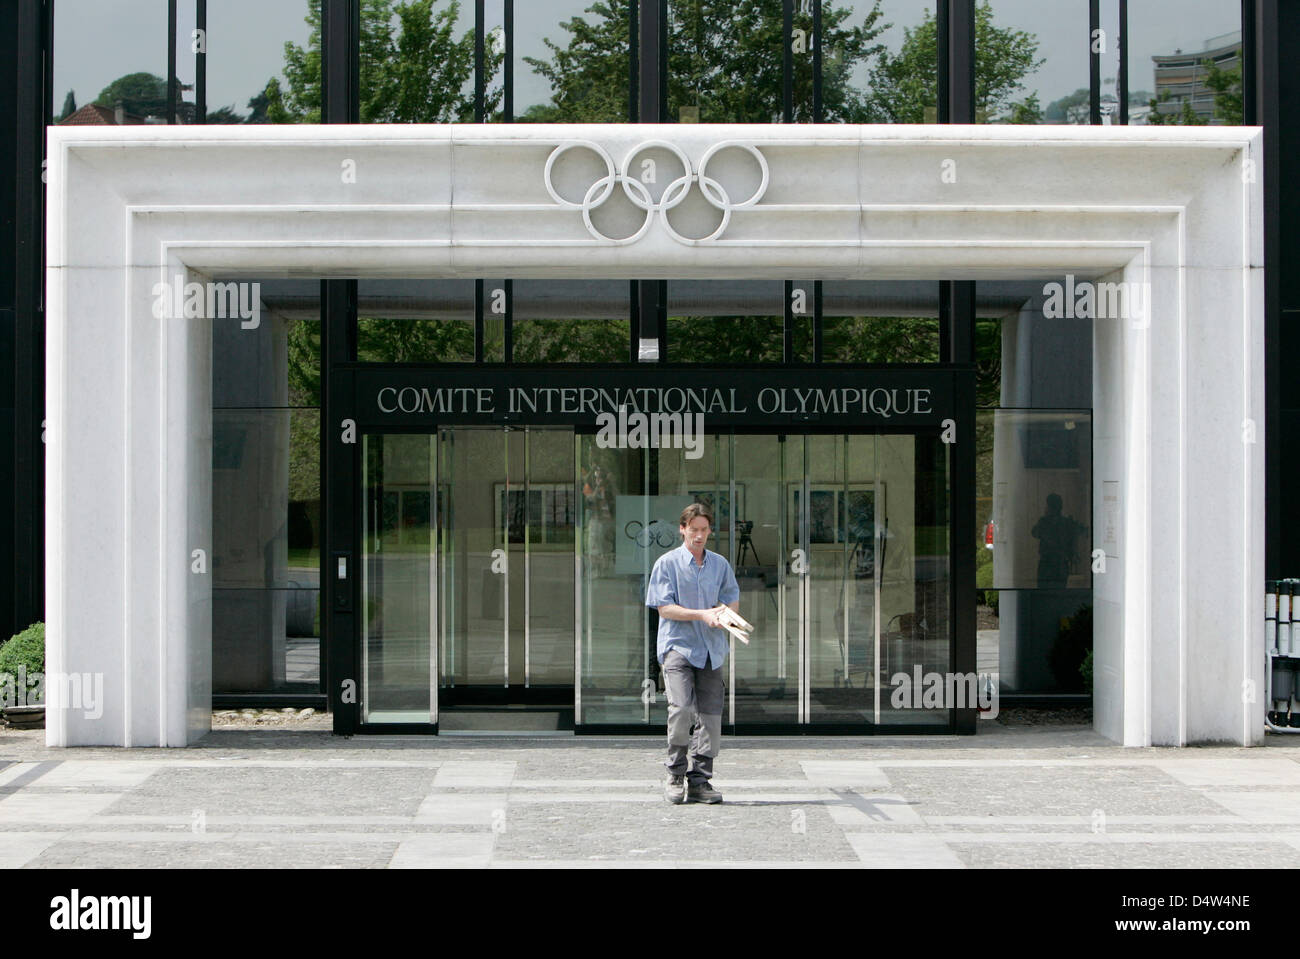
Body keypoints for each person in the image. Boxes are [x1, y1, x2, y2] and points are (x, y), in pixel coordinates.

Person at [645, 502, 740, 805]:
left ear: (710, 531)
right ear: (682, 529)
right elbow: (664, 608)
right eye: (694, 529)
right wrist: (702, 614)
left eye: (704, 530)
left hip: (711, 649)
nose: (699, 535)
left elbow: (731, 598)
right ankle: (675, 773)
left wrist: (725, 615)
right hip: (678, 647)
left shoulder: (719, 564)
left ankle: (700, 780)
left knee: (710, 717)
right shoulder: (666, 564)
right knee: (682, 709)